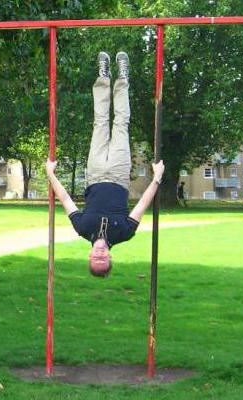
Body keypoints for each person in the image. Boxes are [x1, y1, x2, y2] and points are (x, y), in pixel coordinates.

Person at [46, 51, 165, 277]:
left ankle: (103, 76)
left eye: (95, 258)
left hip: (96, 172)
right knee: (121, 123)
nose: (99, 255)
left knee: (100, 123)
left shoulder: (82, 228)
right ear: (110, 256)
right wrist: (157, 177)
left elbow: (65, 199)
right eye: (103, 259)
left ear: (89, 256)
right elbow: (142, 204)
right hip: (119, 174)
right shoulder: (124, 233)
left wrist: (50, 174)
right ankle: (122, 78)